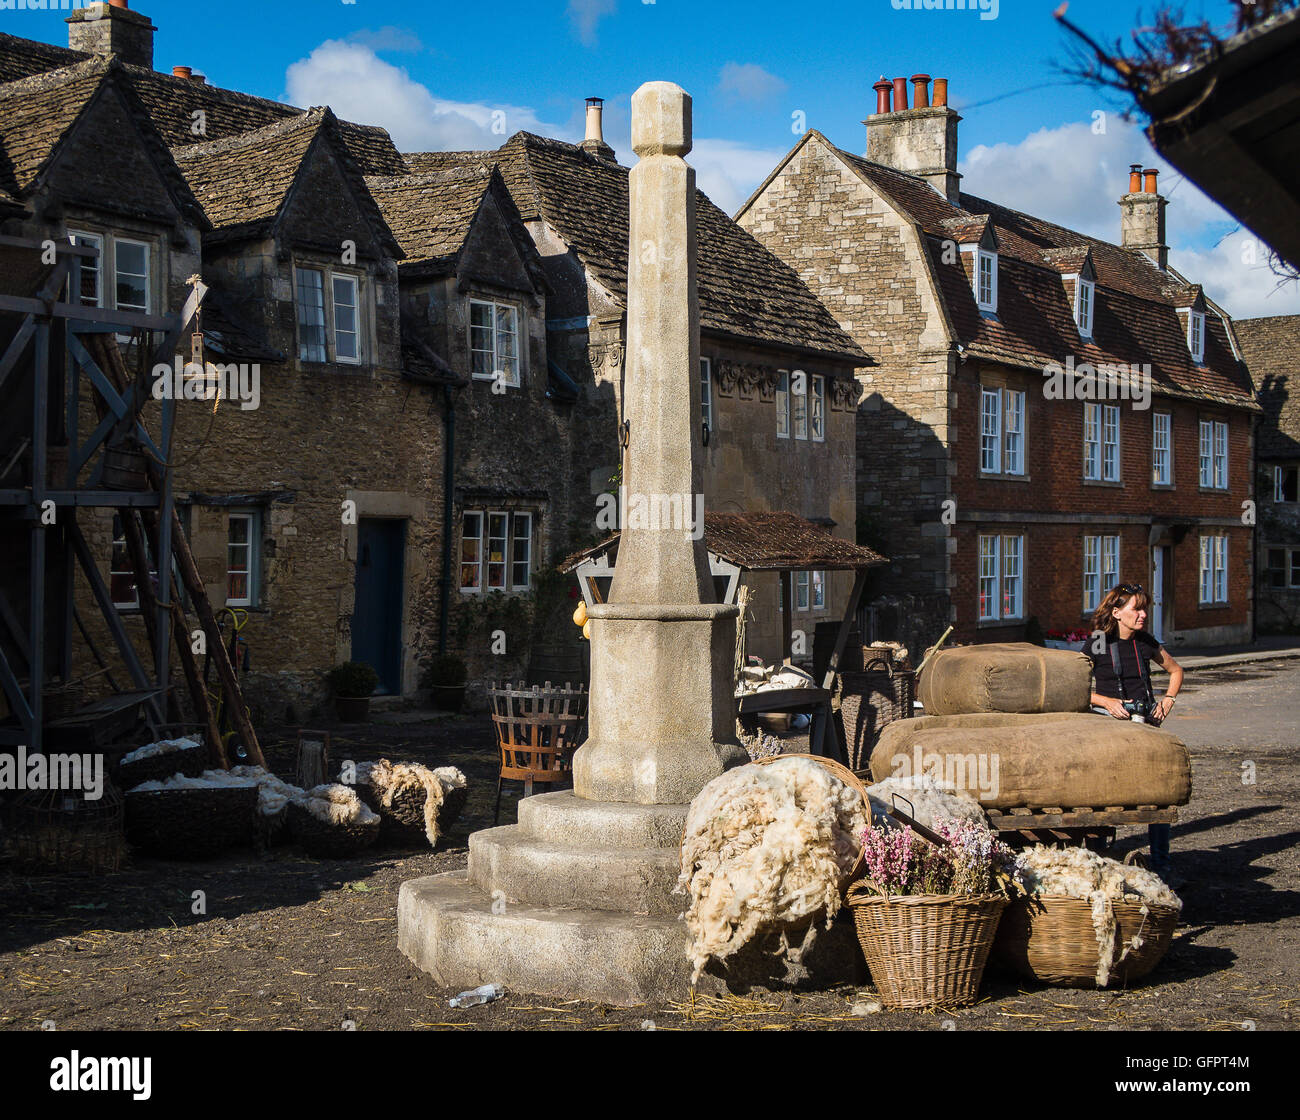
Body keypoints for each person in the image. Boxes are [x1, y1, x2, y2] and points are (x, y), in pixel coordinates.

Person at [1079, 583, 1185, 881]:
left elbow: (1176, 671)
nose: (1142, 615)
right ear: (1117, 613)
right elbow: (1077, 686)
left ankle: (1162, 866)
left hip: (1145, 724)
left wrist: (1168, 699)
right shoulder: (1099, 641)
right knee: (1101, 790)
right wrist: (1106, 701)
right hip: (1108, 725)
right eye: (1136, 609)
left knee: (1160, 792)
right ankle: (1098, 858)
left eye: (1144, 608)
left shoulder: (1146, 641)